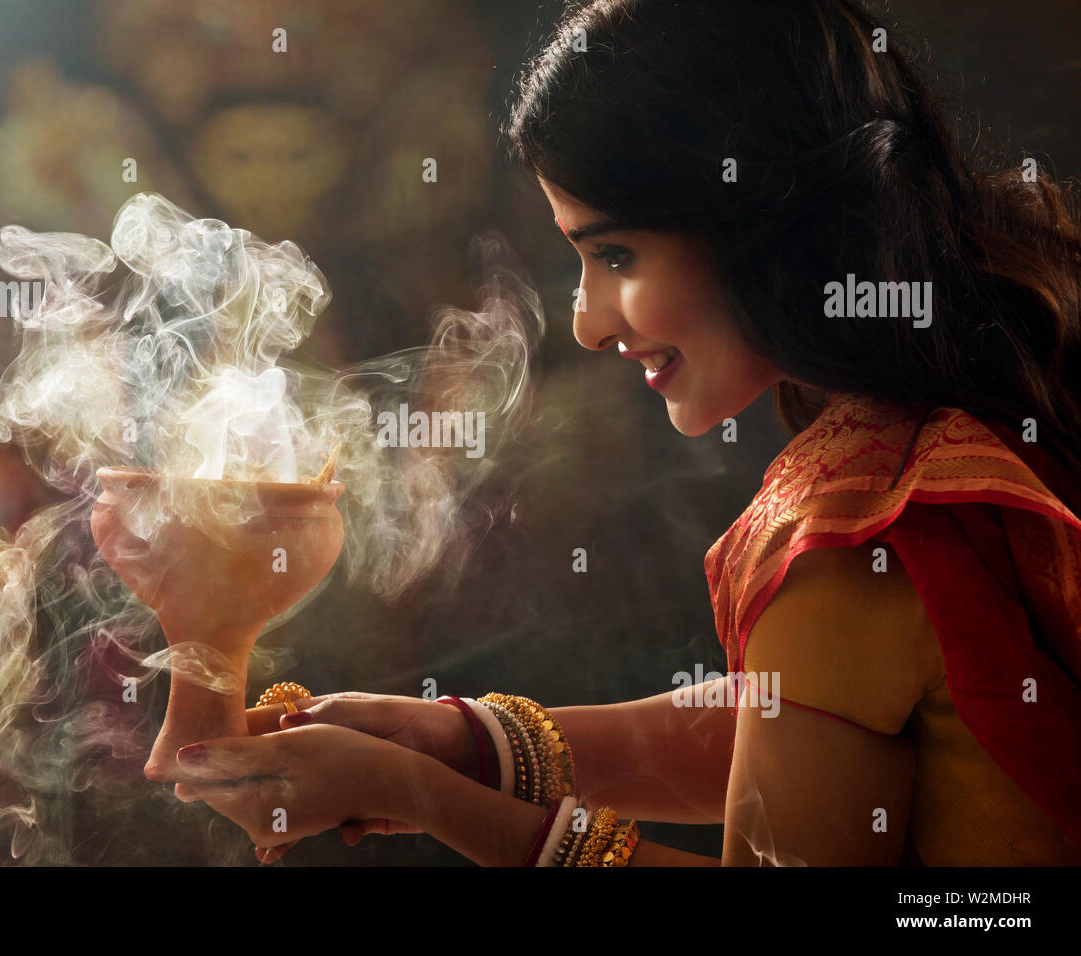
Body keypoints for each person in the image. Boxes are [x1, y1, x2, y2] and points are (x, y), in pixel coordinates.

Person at [165, 0, 1081, 865]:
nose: (586, 323)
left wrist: (424, 795)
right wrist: (460, 743)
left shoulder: (855, 536)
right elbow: (813, 713)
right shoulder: (1004, 374)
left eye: (613, 254)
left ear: (757, 214)